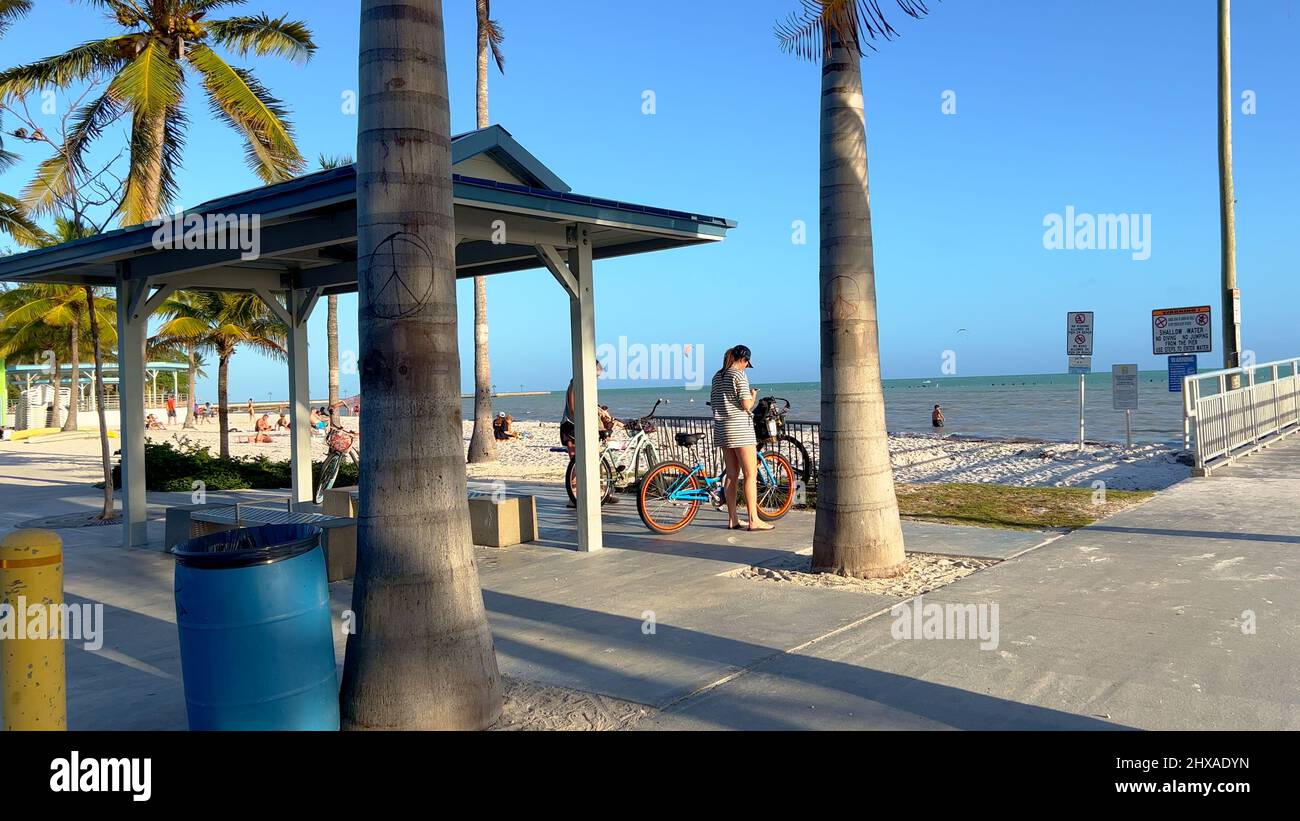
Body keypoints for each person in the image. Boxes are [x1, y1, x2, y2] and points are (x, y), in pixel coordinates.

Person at [711, 344, 772, 532]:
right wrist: (753, 397)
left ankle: (733, 519)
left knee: (731, 475)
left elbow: (714, 401)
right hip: (740, 430)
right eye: (747, 362)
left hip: (722, 428)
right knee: (750, 475)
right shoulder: (738, 375)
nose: (746, 366)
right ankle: (754, 519)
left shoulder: (717, 376)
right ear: (743, 359)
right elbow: (746, 405)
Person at [560, 360, 617, 507]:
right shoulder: (575, 385)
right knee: (576, 462)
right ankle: (574, 496)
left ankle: (602, 492)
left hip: (585, 427)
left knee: (596, 460)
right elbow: (574, 409)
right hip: (572, 427)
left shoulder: (586, 386)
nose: (596, 378)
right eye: (596, 375)